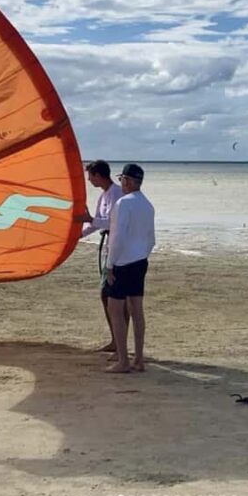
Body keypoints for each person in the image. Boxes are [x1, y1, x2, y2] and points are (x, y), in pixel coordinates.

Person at [104, 163, 155, 373]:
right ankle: (139, 358)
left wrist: (109, 265)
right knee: (137, 309)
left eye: (122, 179)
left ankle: (124, 360)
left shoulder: (124, 203)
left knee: (115, 309)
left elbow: (117, 237)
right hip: (140, 260)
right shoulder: (148, 205)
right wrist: (142, 255)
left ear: (126, 180)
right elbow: (151, 239)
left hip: (123, 262)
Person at [73, 160, 128, 353]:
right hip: (109, 248)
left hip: (119, 250)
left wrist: (90, 220)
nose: (88, 180)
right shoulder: (104, 196)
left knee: (115, 297)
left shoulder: (116, 194)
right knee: (107, 296)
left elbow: (114, 223)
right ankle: (116, 340)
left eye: (90, 176)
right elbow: (97, 223)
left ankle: (119, 343)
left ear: (98, 175)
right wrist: (78, 236)